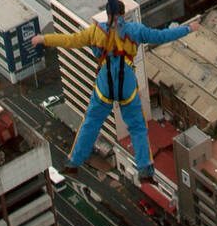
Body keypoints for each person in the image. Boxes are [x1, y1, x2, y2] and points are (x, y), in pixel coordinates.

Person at [31, 10, 199, 184]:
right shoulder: (134, 30)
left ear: (108, 16)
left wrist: (44, 39)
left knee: (91, 123)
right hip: (126, 85)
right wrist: (187, 29)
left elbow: (69, 40)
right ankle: (145, 170)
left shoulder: (96, 31)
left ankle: (74, 162)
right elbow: (162, 36)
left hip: (105, 86)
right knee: (137, 128)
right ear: (122, 15)